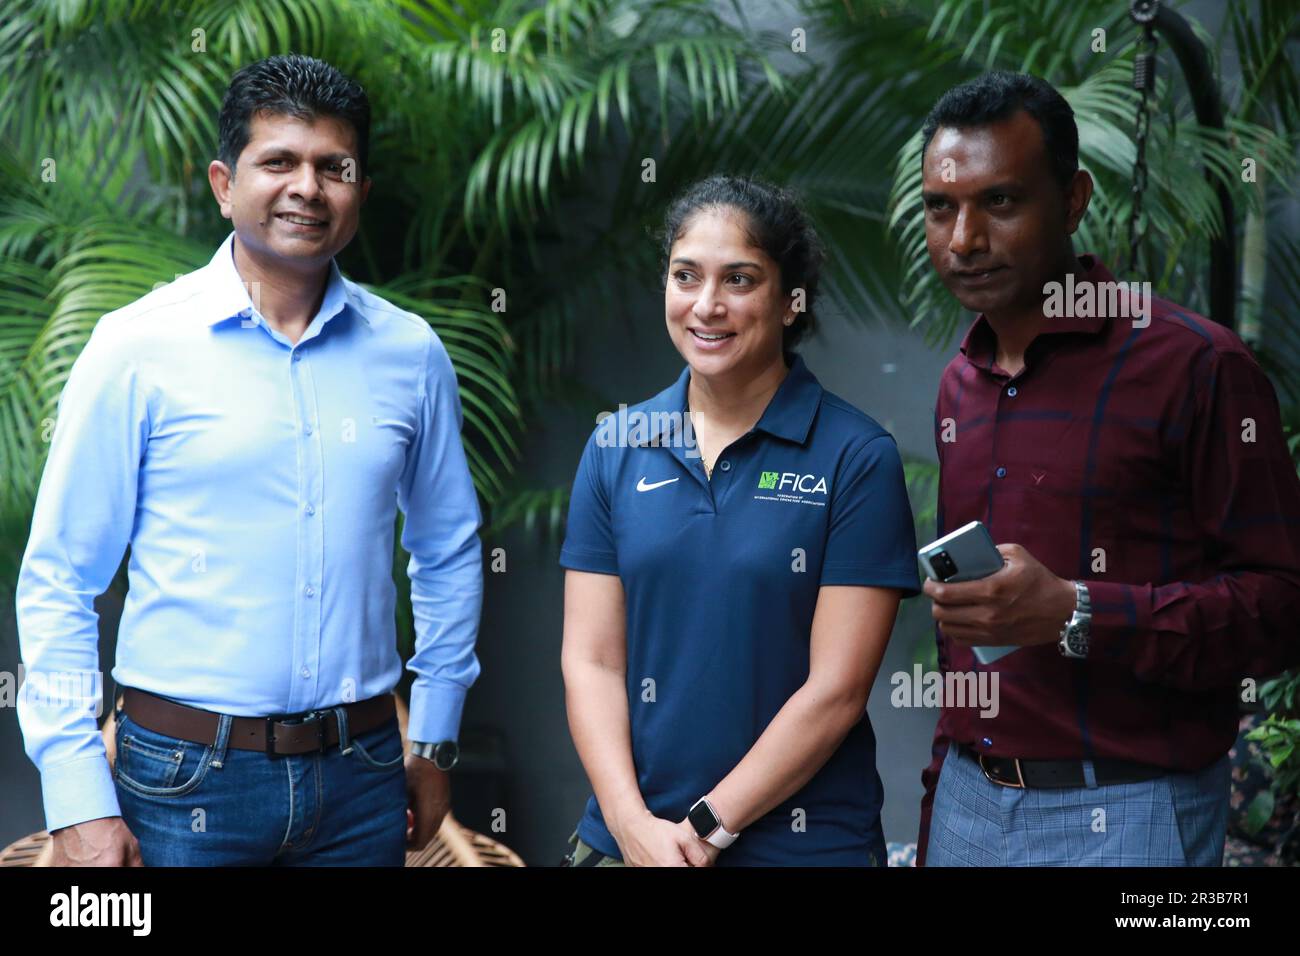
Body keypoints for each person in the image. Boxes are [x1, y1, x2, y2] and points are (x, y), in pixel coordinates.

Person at [15, 54, 483, 866]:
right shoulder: (136, 347)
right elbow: (59, 575)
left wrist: (435, 737)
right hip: (183, 780)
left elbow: (447, 548)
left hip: (364, 778)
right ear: (224, 184)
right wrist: (76, 794)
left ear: (360, 195)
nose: (308, 186)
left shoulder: (411, 354)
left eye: (334, 167)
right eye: (280, 162)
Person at [915, 71, 1300, 866]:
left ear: (1075, 199)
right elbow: (966, 642)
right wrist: (939, 807)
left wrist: (1076, 610)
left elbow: (1282, 606)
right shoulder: (961, 379)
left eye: (1001, 202)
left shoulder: (1195, 367)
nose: (964, 240)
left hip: (1127, 814)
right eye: (940, 207)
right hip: (965, 799)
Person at [558, 175, 921, 866]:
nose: (707, 305)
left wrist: (704, 830)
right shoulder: (616, 445)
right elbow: (593, 660)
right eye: (685, 275)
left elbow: (836, 689)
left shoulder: (855, 456)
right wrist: (631, 824)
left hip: (802, 847)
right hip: (630, 839)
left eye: (740, 279)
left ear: (790, 302)